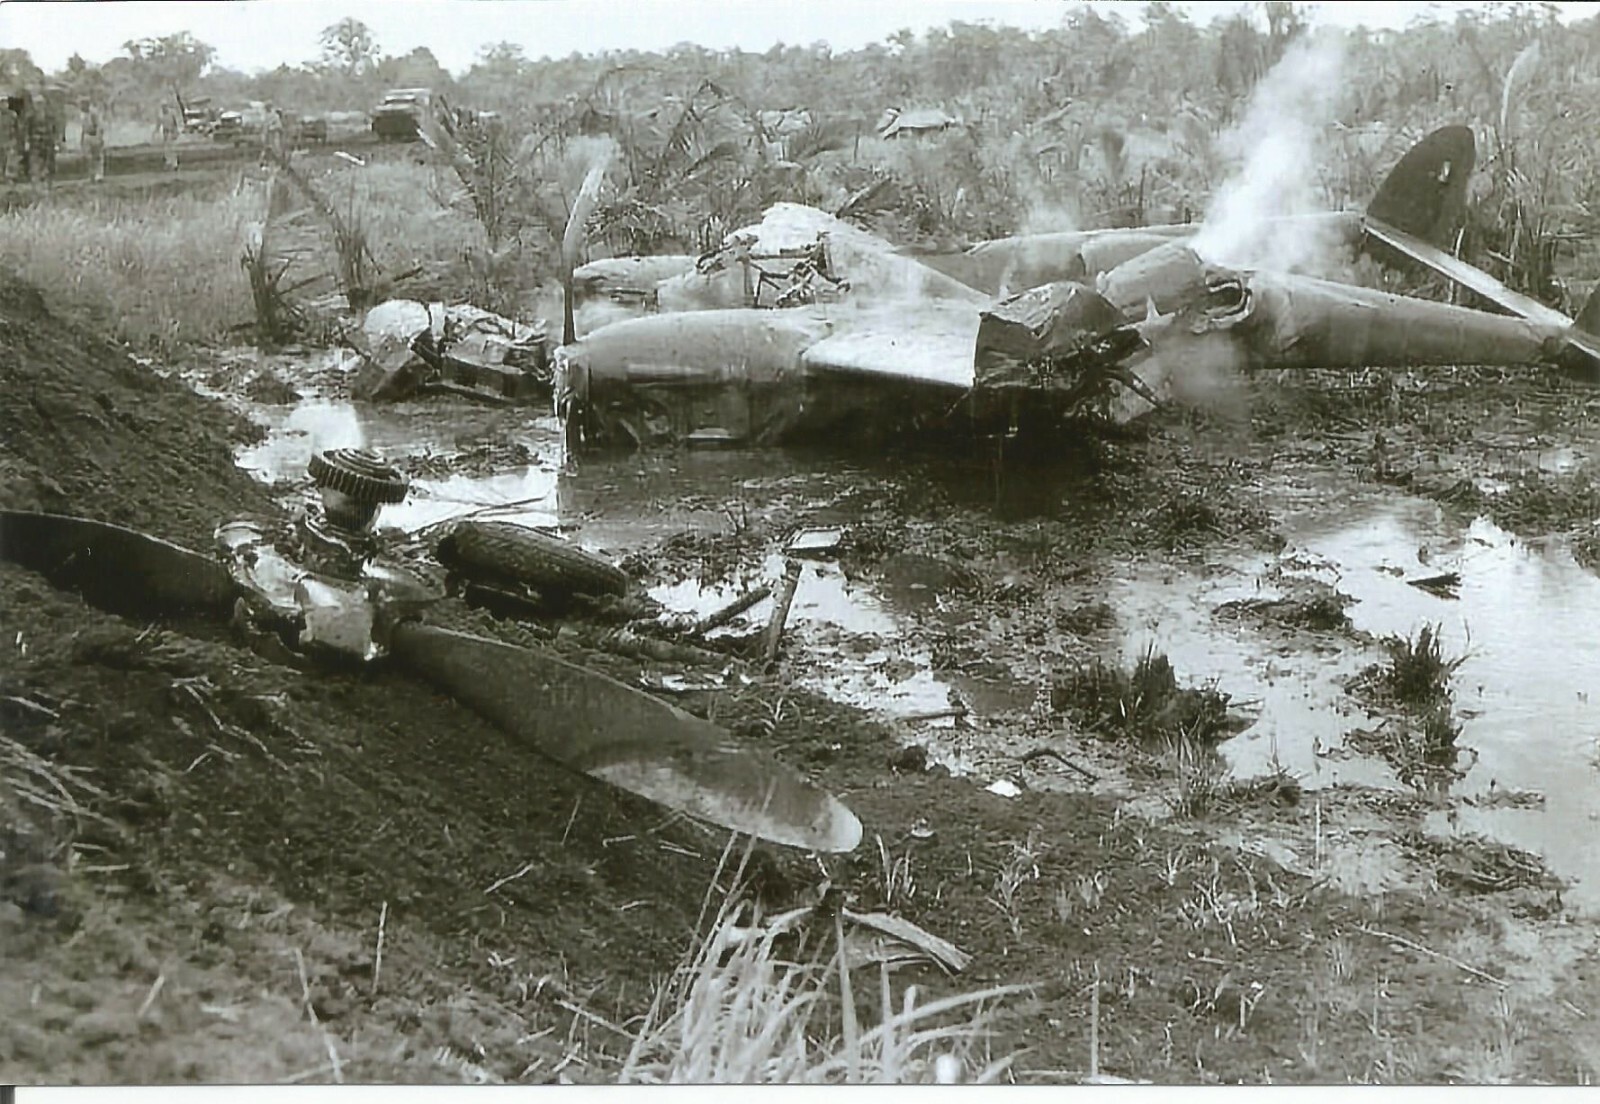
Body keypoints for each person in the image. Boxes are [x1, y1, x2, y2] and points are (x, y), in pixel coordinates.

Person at [80, 99, 106, 183]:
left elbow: (99, 126)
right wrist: (82, 139)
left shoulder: (94, 113)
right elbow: (83, 127)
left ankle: (99, 175)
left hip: (94, 135)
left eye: (82, 104)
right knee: (88, 157)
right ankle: (91, 174)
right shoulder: (82, 114)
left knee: (97, 156)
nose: (81, 107)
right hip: (87, 136)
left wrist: (99, 137)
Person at [159, 100, 180, 171]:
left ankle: (175, 164)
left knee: (172, 148)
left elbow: (175, 123)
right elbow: (160, 124)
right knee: (166, 149)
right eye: (163, 107)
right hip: (165, 132)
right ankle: (168, 163)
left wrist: (176, 131)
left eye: (165, 106)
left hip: (171, 132)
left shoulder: (172, 113)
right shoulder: (161, 115)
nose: (164, 108)